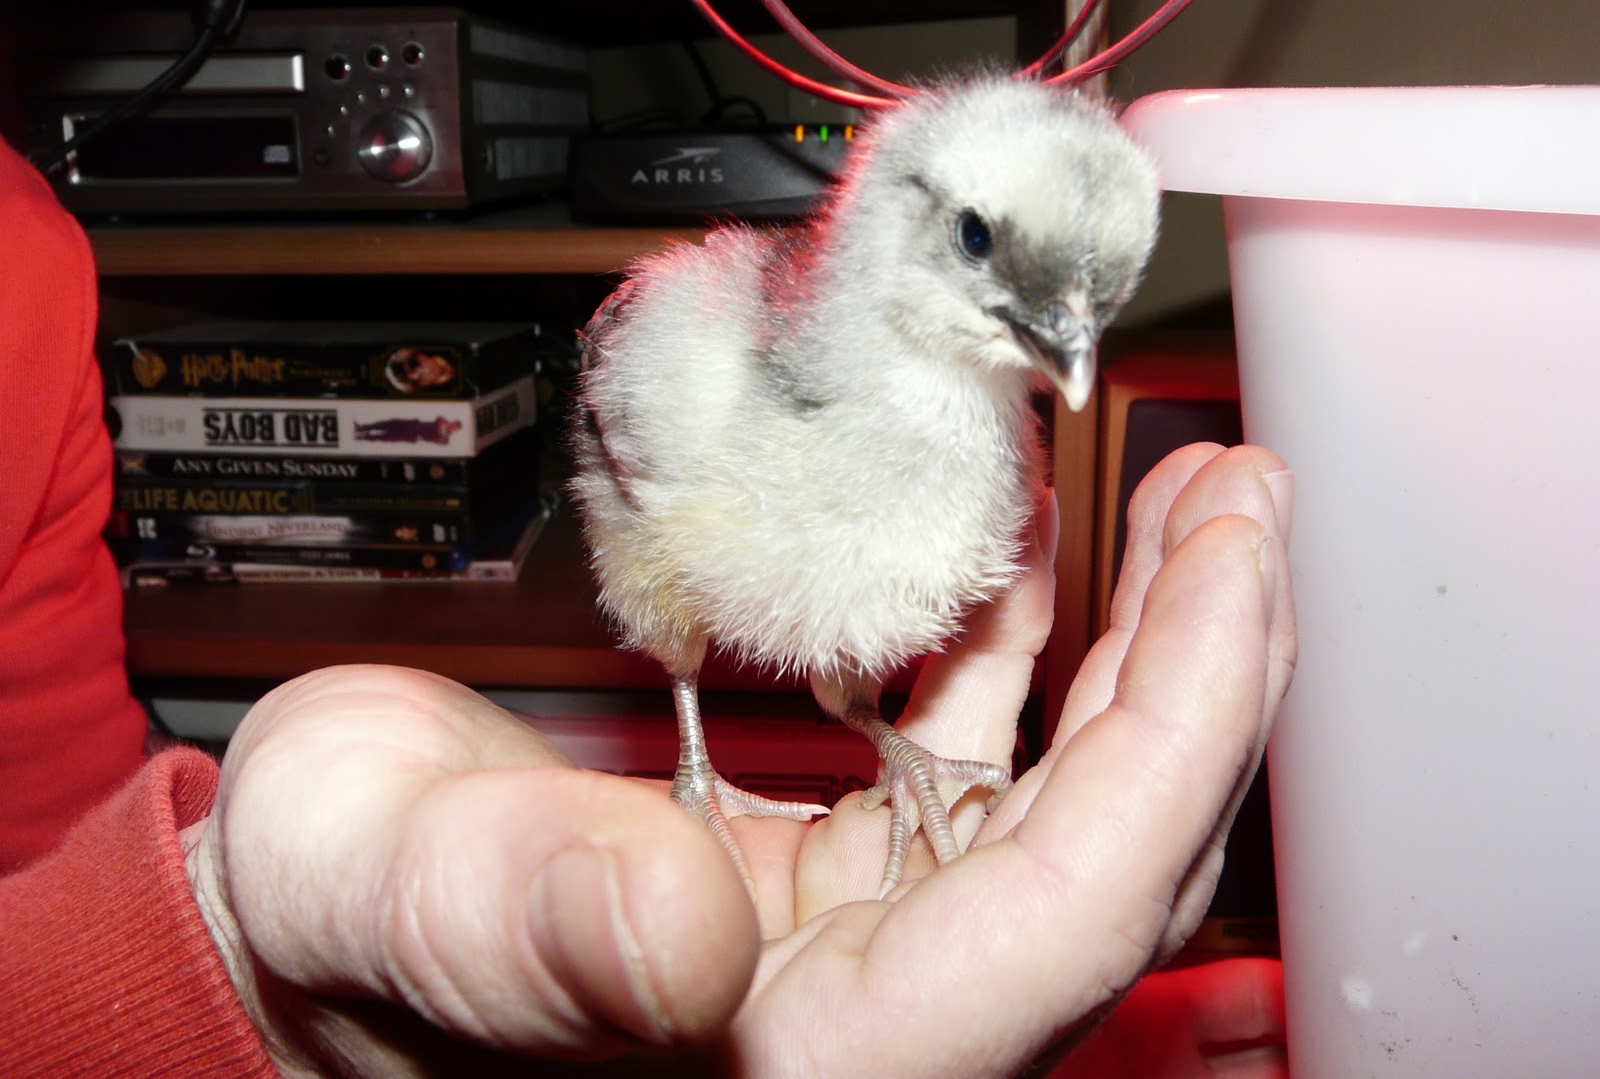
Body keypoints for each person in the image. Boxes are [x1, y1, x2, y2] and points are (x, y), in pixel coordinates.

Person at [0, 130, 1296, 1077]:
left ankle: (875, 738)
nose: (1068, 343)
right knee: (684, 618)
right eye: (983, 244)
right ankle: (692, 753)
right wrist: (245, 962)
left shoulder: (35, 260)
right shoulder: (691, 357)